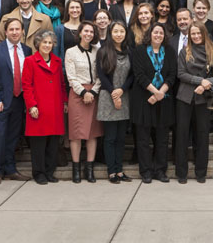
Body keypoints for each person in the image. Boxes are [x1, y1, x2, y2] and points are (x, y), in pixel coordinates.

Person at [176, 22, 213, 183]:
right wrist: (200, 81)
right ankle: (181, 173)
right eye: (193, 34)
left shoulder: (212, 53)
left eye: (198, 33)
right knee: (182, 136)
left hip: (202, 99)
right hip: (184, 98)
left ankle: (201, 172)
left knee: (202, 136)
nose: (196, 36)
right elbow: (181, 74)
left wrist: (206, 84)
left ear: (204, 34)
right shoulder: (184, 52)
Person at [0, 18, 33, 185]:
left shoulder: (27, 50)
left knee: (14, 136)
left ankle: (11, 169)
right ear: (5, 32)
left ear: (22, 32)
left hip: (19, 100)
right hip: (1, 100)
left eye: (18, 29)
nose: (15, 32)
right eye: (11, 29)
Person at [131, 23, 176, 183]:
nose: (158, 35)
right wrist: (154, 92)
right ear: (150, 34)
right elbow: (139, 75)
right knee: (143, 139)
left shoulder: (169, 52)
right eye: (155, 32)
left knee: (162, 138)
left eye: (161, 33)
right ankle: (146, 171)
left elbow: (172, 75)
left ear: (165, 36)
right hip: (143, 99)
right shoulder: (139, 51)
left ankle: (160, 170)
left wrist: (160, 93)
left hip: (163, 101)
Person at [23, 30, 68, 185]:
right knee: (39, 145)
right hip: (38, 108)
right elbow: (26, 86)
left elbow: (62, 84)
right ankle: (39, 173)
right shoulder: (30, 61)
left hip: (55, 108)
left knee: (53, 144)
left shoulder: (57, 61)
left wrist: (65, 102)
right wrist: (31, 105)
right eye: (44, 42)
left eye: (50, 43)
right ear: (38, 44)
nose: (47, 45)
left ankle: (49, 172)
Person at [65, 21, 103, 183]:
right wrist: (83, 92)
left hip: (94, 93)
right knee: (76, 133)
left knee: (92, 133)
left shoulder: (98, 51)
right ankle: (76, 169)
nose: (88, 34)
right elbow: (71, 77)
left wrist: (93, 92)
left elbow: (102, 74)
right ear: (80, 33)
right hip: (77, 94)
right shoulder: (71, 52)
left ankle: (89, 169)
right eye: (86, 31)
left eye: (91, 32)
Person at [97, 21, 133, 183]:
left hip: (124, 96)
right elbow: (101, 75)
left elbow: (132, 75)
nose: (119, 34)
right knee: (110, 137)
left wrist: (121, 90)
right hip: (108, 97)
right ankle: (112, 171)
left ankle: (120, 170)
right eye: (116, 31)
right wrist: (113, 92)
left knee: (120, 137)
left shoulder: (129, 52)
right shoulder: (103, 51)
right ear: (111, 33)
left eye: (121, 31)